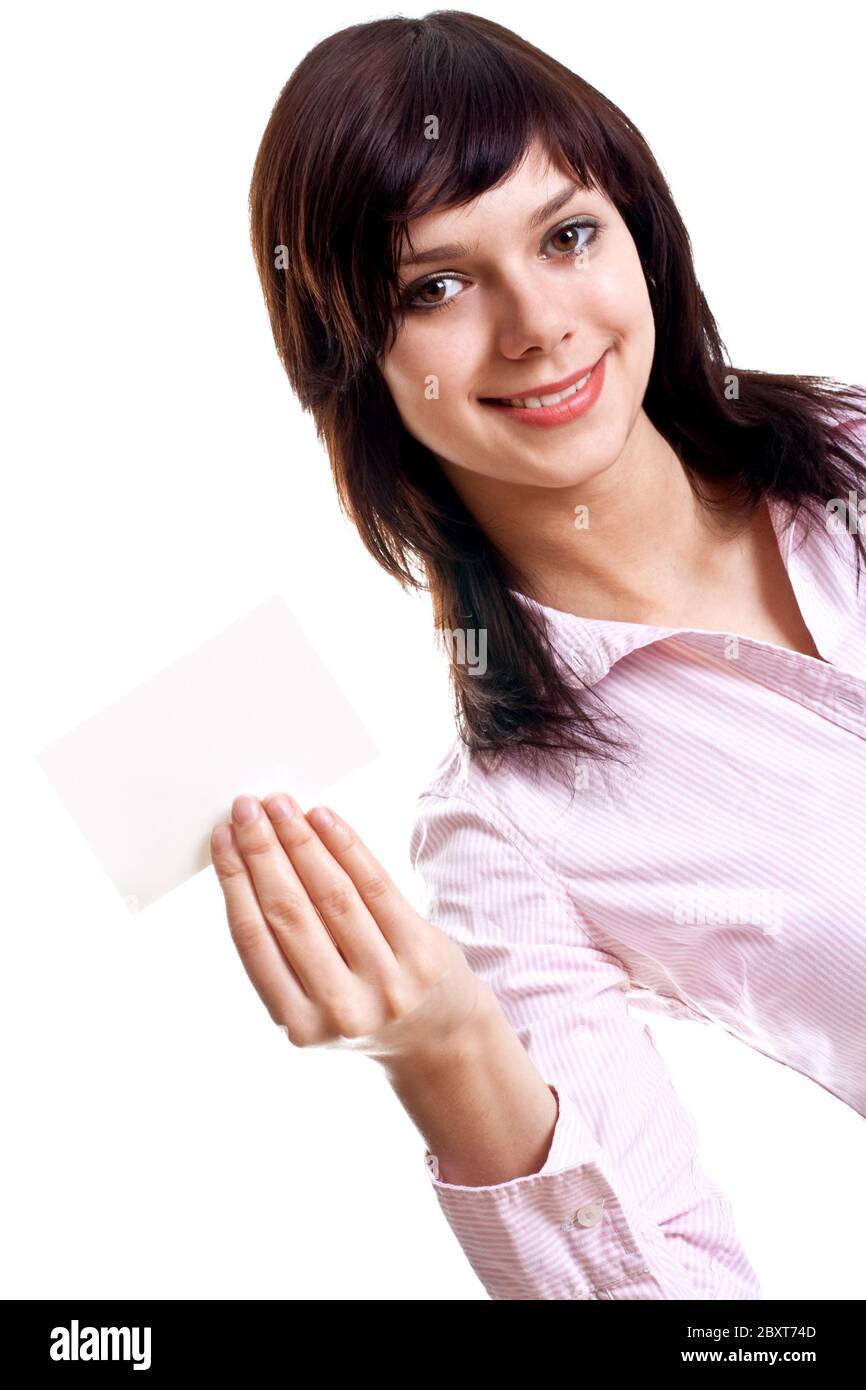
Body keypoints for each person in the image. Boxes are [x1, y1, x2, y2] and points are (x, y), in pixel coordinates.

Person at [211, 11, 866, 1299]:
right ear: (352, 358)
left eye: (568, 236)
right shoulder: (509, 832)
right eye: (435, 286)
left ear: (642, 239)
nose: (536, 325)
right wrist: (446, 1053)